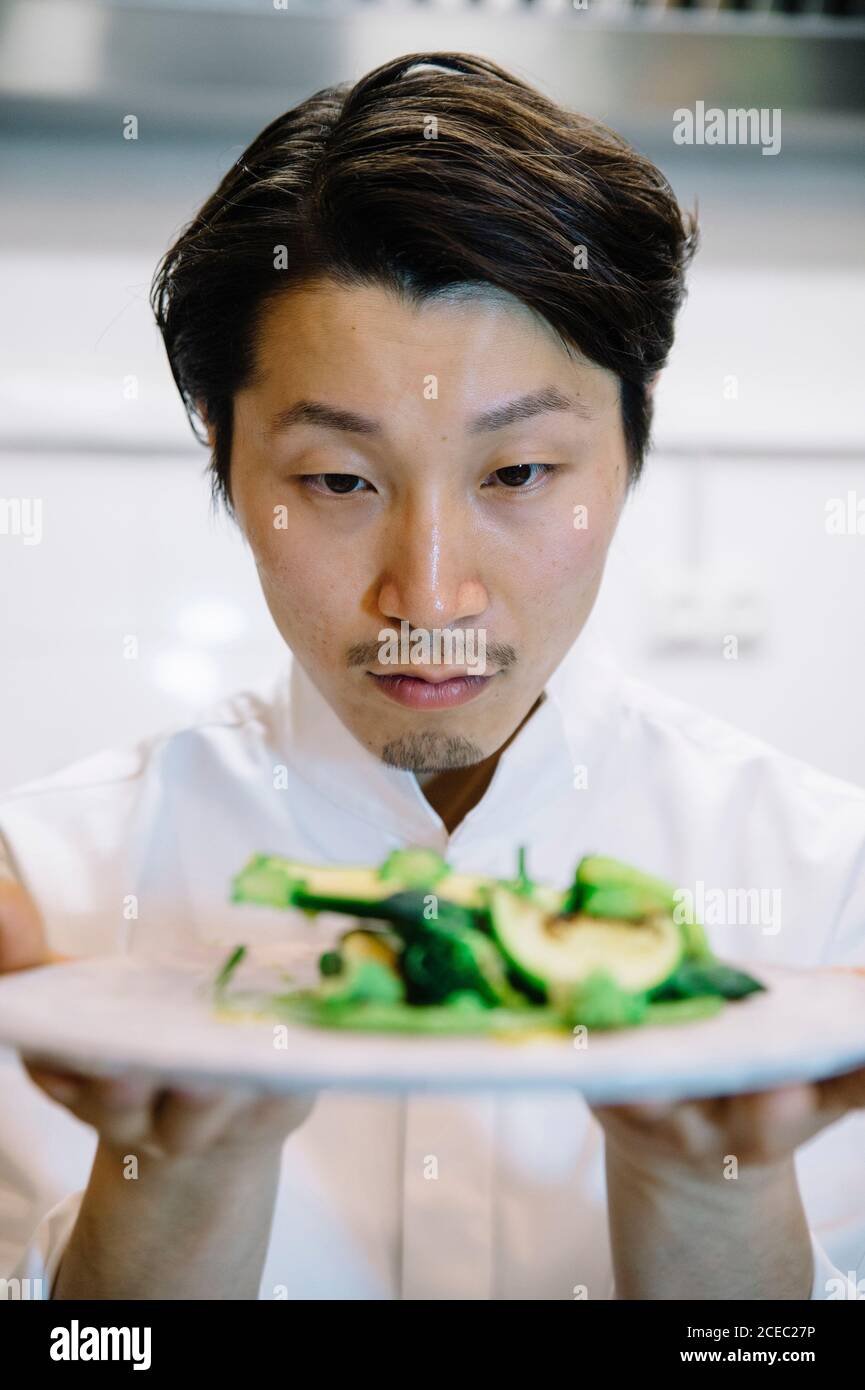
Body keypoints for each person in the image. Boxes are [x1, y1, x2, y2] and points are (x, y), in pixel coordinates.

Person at [2, 50, 865, 1302]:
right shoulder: (47, 909)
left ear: (634, 440)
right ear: (224, 458)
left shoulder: (830, 903)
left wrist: (705, 1196)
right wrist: (170, 1192)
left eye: (518, 475)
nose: (430, 592)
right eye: (339, 482)